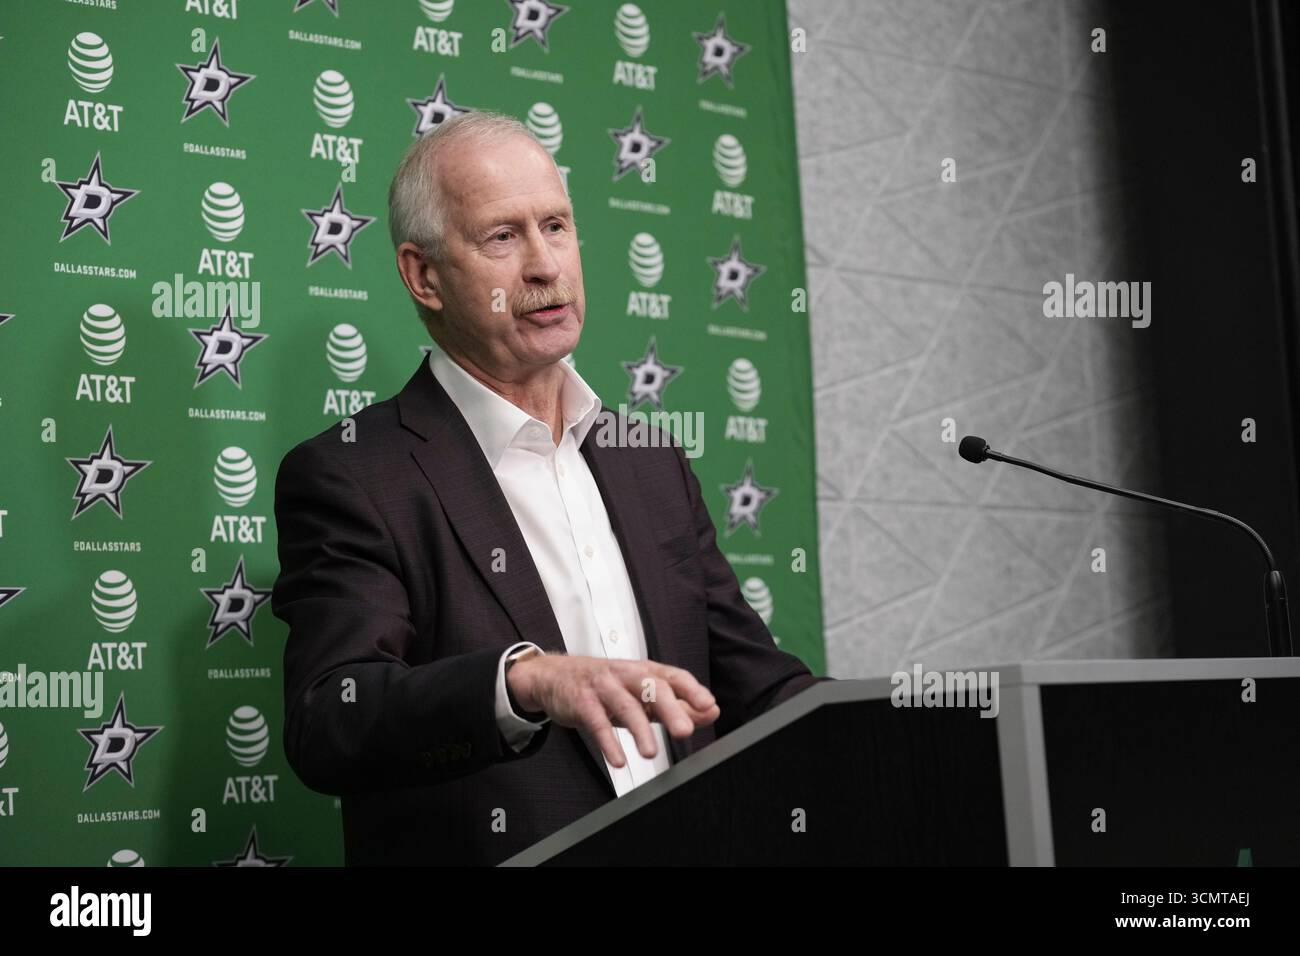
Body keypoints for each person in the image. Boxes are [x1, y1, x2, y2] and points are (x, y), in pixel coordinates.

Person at [272, 110, 823, 866]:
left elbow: (756, 687)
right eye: (503, 237)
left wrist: (912, 726)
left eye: (557, 226)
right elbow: (328, 722)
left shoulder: (648, 458)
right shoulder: (354, 475)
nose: (545, 266)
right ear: (423, 275)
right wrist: (522, 682)